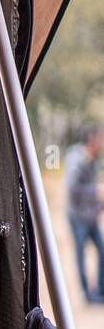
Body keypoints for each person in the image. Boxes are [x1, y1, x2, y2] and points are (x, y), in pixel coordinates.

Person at [65, 127, 104, 302]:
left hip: (91, 217)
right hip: (78, 218)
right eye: (101, 141)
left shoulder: (94, 160)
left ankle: (100, 292)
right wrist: (95, 191)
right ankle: (87, 295)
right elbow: (73, 190)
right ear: (92, 141)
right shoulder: (77, 160)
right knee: (80, 254)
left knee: (102, 250)